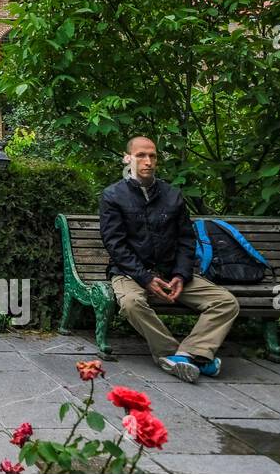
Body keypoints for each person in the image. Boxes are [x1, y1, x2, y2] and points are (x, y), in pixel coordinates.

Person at [100, 136, 240, 383]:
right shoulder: (113, 196)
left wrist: (180, 275)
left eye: (152, 156)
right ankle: (172, 353)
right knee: (131, 303)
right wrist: (144, 277)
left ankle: (188, 354)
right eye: (141, 155)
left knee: (225, 302)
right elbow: (115, 244)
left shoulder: (172, 195)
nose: (148, 161)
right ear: (127, 158)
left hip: (170, 273)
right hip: (130, 273)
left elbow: (186, 239)